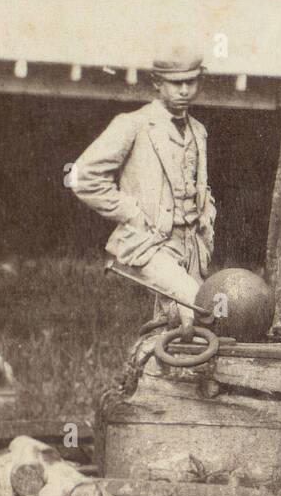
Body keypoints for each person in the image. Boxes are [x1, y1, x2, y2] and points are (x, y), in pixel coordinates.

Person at [70, 47, 216, 324]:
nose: (184, 90)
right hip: (149, 242)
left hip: (192, 247)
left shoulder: (198, 130)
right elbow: (83, 176)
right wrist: (130, 212)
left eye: (191, 82)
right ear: (157, 83)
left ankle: (150, 367)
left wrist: (207, 217)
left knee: (174, 323)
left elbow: (199, 184)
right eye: (175, 83)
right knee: (198, 308)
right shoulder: (134, 124)